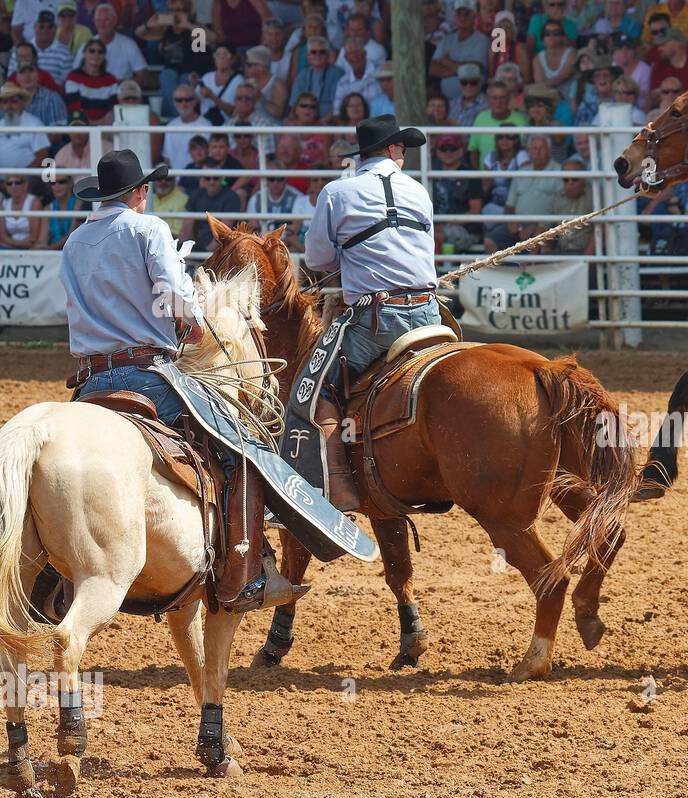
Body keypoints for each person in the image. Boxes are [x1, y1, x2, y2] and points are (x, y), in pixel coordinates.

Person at [61, 150, 303, 613]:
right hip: (147, 375)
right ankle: (243, 574)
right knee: (241, 452)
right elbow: (180, 305)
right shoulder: (147, 229)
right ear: (140, 192)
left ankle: (50, 582)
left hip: (90, 384)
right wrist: (191, 327)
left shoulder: (75, 242)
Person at [292, 115, 441, 511]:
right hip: (429, 314)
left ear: (364, 154)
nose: (404, 156)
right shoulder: (419, 192)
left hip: (377, 319)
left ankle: (338, 488)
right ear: (392, 151)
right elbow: (425, 253)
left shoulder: (337, 193)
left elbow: (319, 258)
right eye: (403, 149)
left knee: (316, 386)